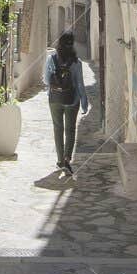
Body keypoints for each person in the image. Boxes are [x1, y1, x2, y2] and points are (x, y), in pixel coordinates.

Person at [43, 31, 89, 176]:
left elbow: (46, 80)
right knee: (70, 129)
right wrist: (84, 102)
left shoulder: (51, 59)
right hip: (72, 100)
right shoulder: (77, 62)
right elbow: (80, 84)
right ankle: (67, 158)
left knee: (58, 129)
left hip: (55, 99)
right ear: (72, 44)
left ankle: (59, 161)